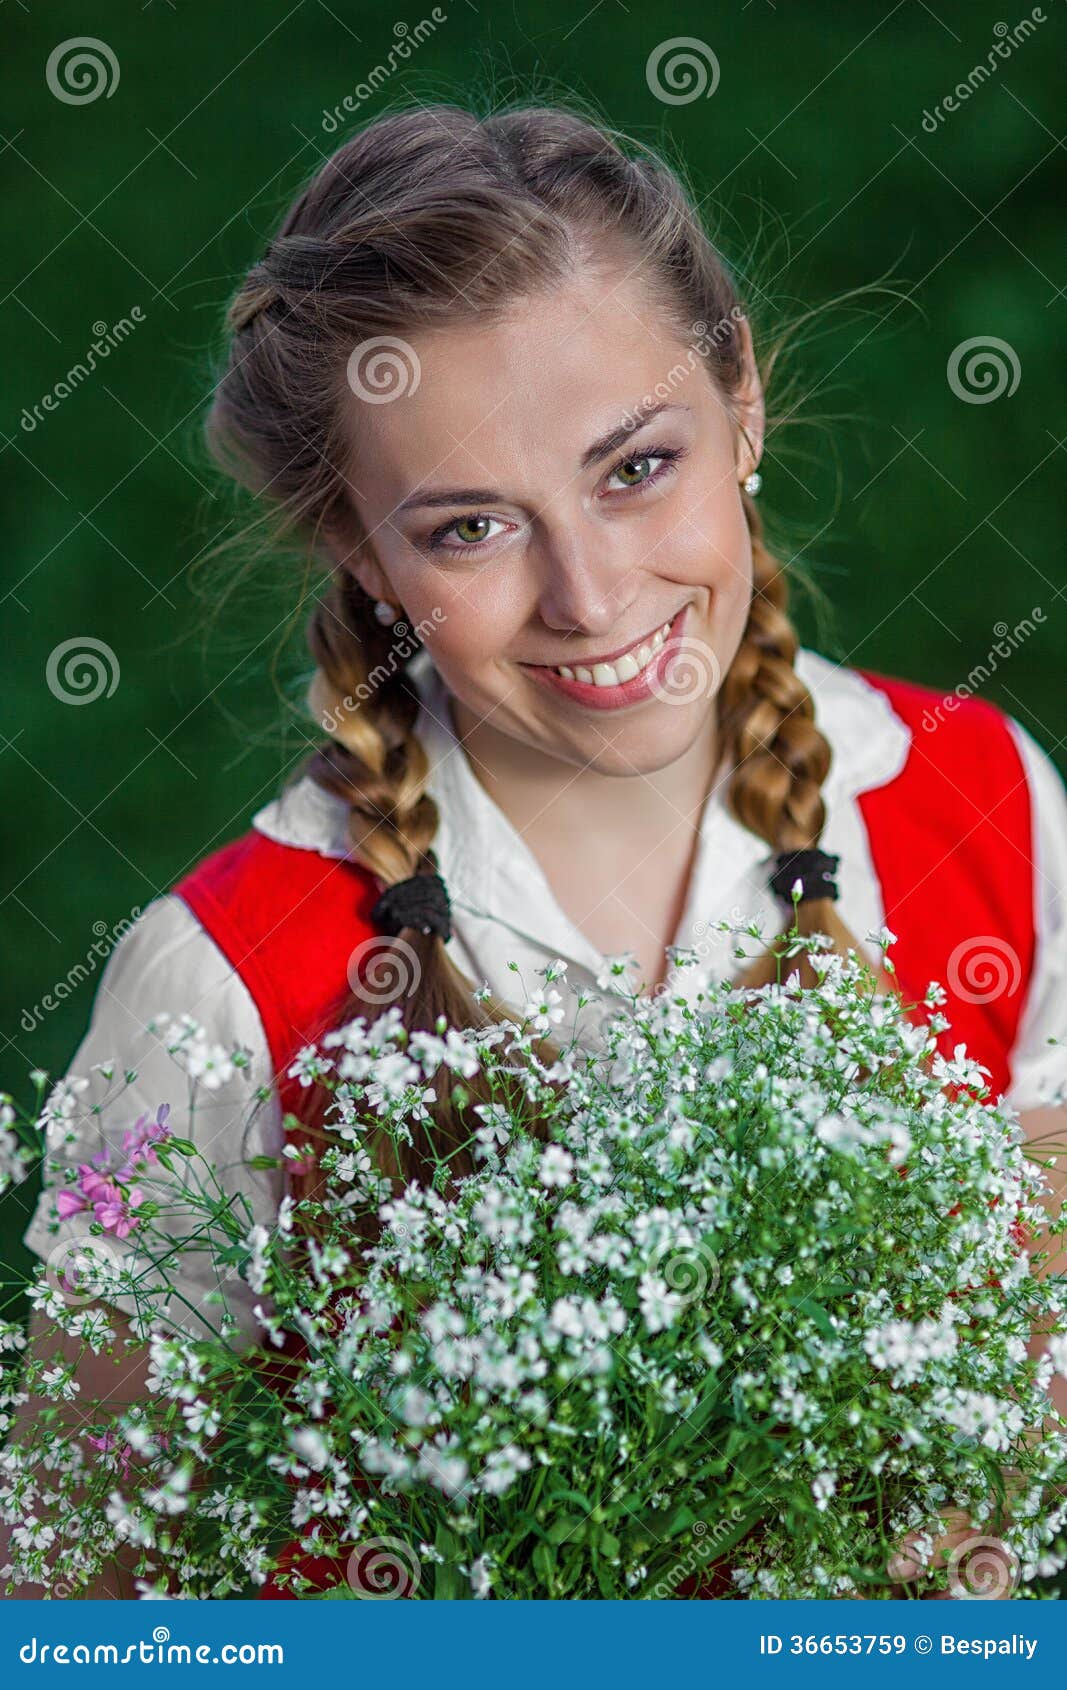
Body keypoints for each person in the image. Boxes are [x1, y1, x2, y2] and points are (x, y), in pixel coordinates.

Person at [11, 98, 1067, 1599]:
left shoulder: (977, 799)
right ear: (361, 550)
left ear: (744, 401)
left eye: (636, 467)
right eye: (469, 529)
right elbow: (71, 1587)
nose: (591, 595)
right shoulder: (225, 985)